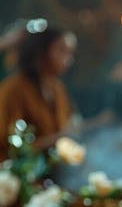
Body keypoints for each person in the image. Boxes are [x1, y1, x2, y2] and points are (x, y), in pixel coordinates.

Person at [0, 22, 78, 158]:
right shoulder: (13, 89)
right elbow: (12, 147)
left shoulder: (57, 88)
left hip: (55, 173)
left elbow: (67, 124)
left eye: (70, 53)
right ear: (41, 52)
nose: (69, 60)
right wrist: (60, 138)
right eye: (62, 50)